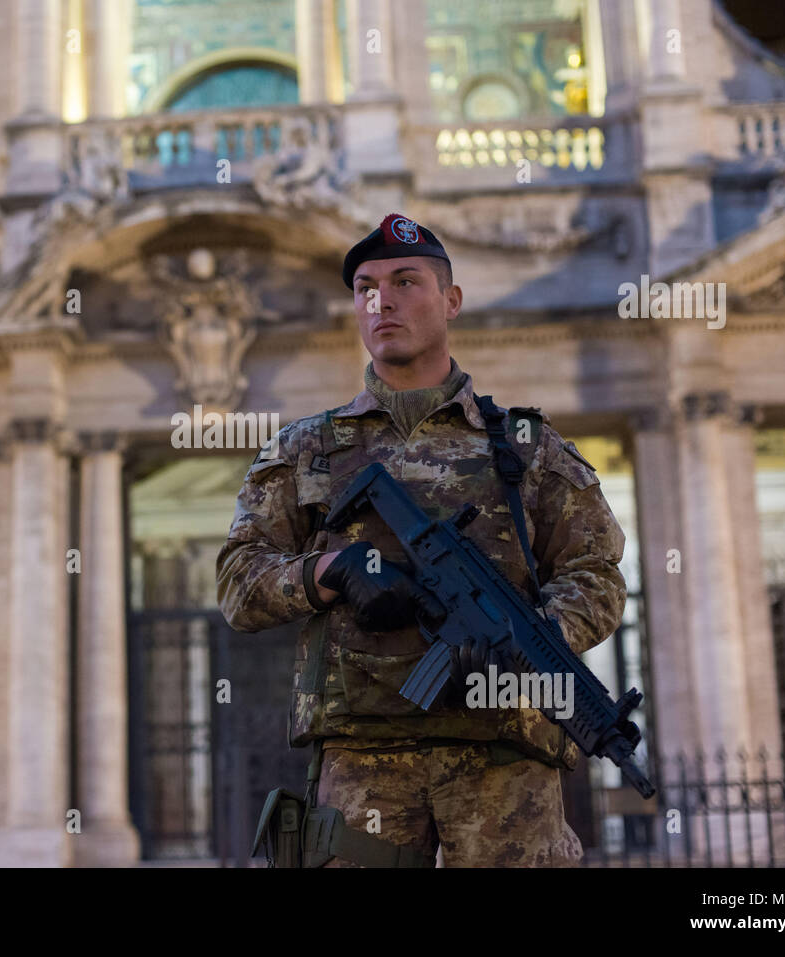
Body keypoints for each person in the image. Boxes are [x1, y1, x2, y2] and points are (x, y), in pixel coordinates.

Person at [217, 213, 627, 867]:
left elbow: (597, 574)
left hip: (503, 759)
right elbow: (239, 583)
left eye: (406, 282)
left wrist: (526, 641)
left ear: (452, 301)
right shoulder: (305, 449)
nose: (383, 301)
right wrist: (332, 568)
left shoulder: (525, 447)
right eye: (366, 288)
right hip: (360, 760)